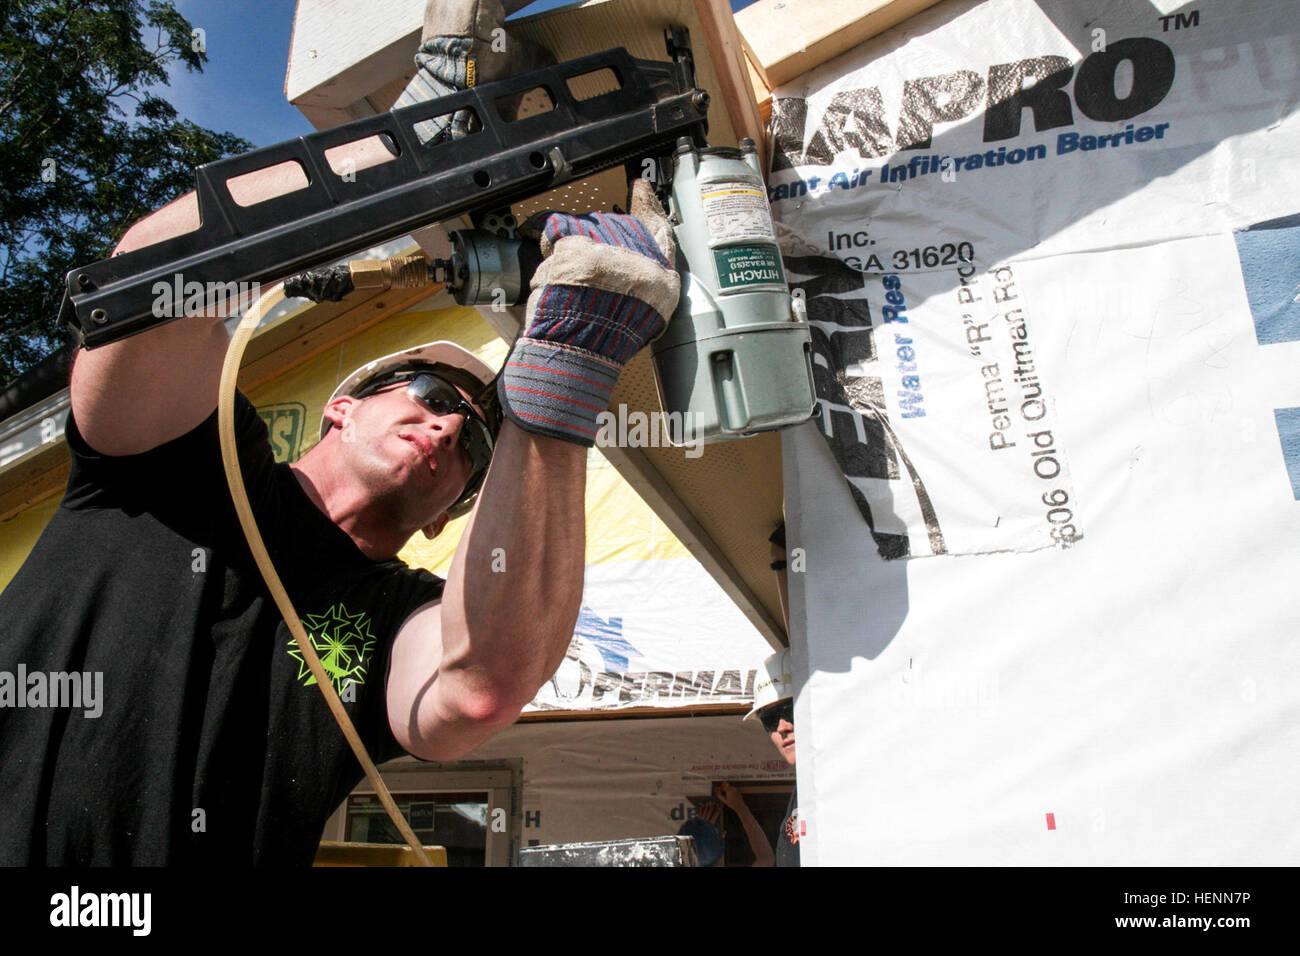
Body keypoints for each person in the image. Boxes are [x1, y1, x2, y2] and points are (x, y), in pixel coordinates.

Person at [0, 0, 679, 865]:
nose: (449, 424)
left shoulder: (402, 617)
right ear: (341, 406)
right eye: (432, 390)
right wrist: (407, 147)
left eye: (477, 444)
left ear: (449, 519)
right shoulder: (185, 466)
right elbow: (146, 289)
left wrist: (565, 372)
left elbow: (474, 692)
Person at [744, 649, 800, 866]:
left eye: (790, 711)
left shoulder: (845, 780)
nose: (782, 727)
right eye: (770, 719)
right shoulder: (805, 789)